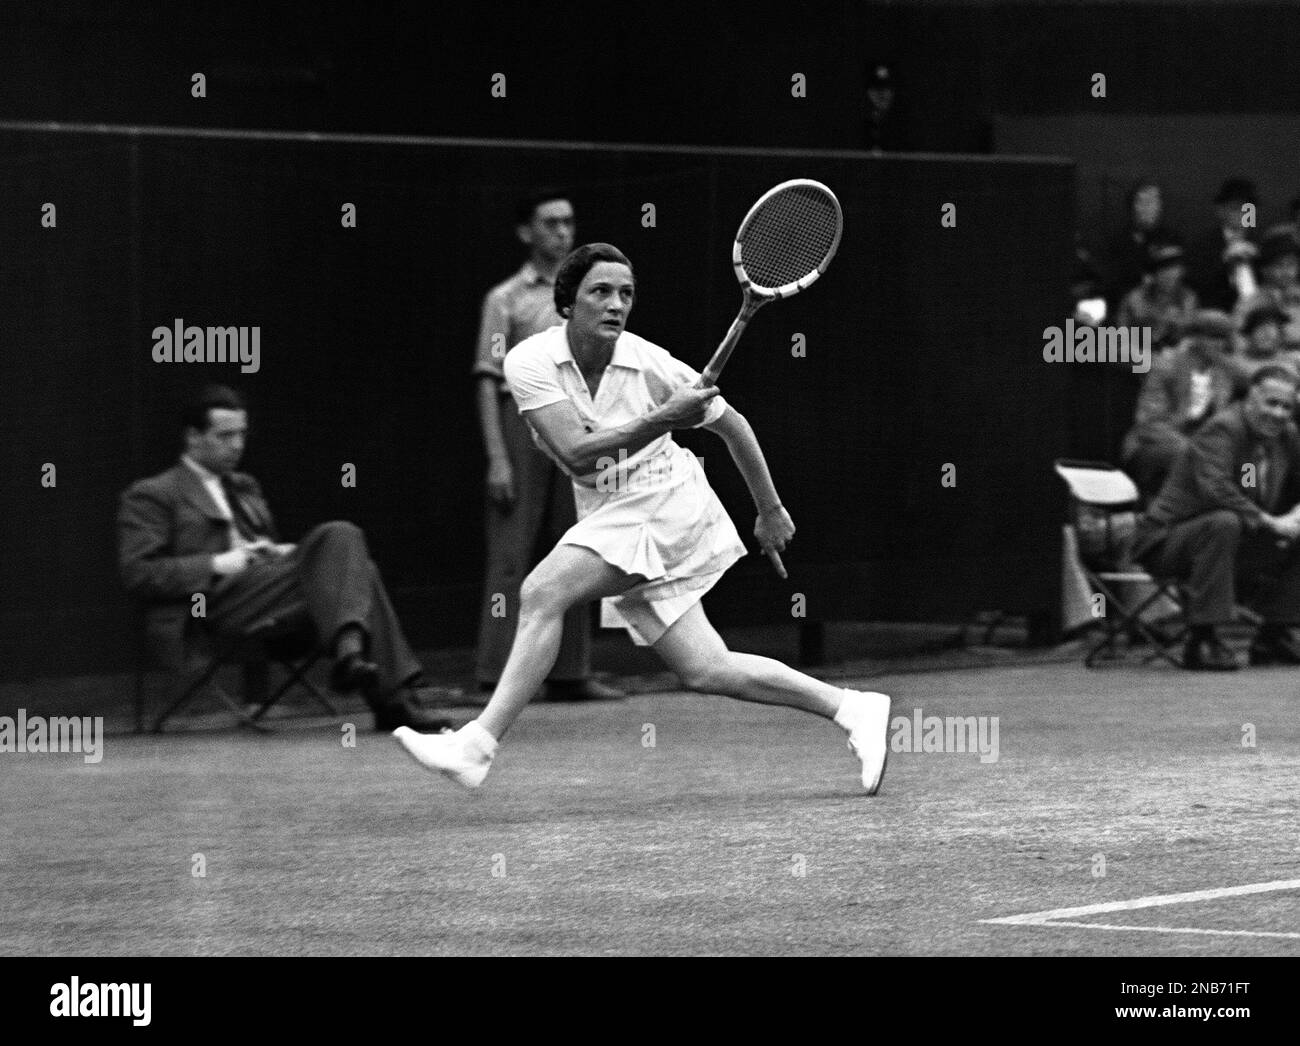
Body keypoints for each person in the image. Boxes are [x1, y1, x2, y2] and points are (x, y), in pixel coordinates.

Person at [397, 244, 892, 792]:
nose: (616, 304)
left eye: (626, 294)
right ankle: (852, 708)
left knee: (543, 592)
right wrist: (664, 418)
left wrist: (769, 510)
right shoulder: (528, 361)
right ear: (567, 303)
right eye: (601, 292)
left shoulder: (653, 363)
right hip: (608, 506)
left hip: (667, 500)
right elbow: (578, 453)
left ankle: (478, 745)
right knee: (705, 668)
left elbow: (735, 428)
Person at [118, 384, 451, 731]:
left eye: (241, 435)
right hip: (213, 603)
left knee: (344, 543)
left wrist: (274, 551)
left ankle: (355, 660)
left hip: (267, 593)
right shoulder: (153, 494)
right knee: (350, 555)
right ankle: (388, 693)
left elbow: (266, 547)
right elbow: (139, 573)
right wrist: (220, 562)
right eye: (224, 436)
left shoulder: (244, 485)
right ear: (193, 437)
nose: (236, 445)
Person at [472, 191, 624, 703]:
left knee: (581, 545)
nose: (563, 232)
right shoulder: (504, 299)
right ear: (526, 232)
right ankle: (493, 678)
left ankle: (570, 674)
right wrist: (498, 457)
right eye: (551, 223)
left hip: (581, 423)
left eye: (569, 222)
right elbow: (487, 380)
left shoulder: (595, 296)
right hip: (522, 428)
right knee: (511, 558)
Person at [1133, 366, 1300, 670]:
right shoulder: (1223, 429)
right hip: (1167, 540)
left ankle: (1274, 634)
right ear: (1251, 399)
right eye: (1271, 403)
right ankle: (1202, 639)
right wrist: (1273, 522)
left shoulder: (1286, 436)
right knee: (1224, 521)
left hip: (1236, 538)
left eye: (1286, 407)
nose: (1278, 413)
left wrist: (1295, 514)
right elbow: (1216, 489)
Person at [1120, 310, 1235, 497]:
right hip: (1150, 446)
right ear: (1196, 338)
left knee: (1248, 459)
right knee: (1186, 454)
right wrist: (1195, 448)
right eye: (1212, 337)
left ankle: (1250, 514)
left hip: (1198, 445)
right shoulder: (1167, 365)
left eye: (1222, 338)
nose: (1218, 344)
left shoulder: (1223, 374)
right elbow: (1149, 423)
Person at [1187, 177, 1260, 312]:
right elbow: (1197, 284)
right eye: (1236, 208)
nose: (1243, 214)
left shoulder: (1259, 242)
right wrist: (1225, 260)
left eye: (1248, 209)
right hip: (1216, 313)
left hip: (1256, 315)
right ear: (1221, 211)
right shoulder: (1203, 244)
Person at [1106, 179, 1177, 311]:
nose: (1148, 208)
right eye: (1143, 202)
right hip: (1129, 308)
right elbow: (1114, 281)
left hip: (1168, 308)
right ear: (1132, 206)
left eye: (1154, 201)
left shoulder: (1172, 239)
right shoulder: (1119, 241)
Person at [1116, 239, 1199, 351]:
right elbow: (1121, 335)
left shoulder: (1187, 297)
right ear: (1154, 274)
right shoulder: (1135, 298)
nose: (1171, 275)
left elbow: (1187, 331)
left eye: (1175, 268)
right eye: (1164, 269)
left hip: (1173, 357)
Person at [1233, 229, 1300, 354]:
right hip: (1267, 366)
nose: (1286, 272)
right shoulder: (1249, 303)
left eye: (1291, 265)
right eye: (1279, 266)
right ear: (1265, 270)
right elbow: (1239, 346)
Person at [1227, 299, 1299, 393]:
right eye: (1260, 327)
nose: (1266, 333)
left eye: (1273, 327)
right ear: (1248, 334)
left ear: (1281, 335)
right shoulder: (1234, 363)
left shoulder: (1295, 360)